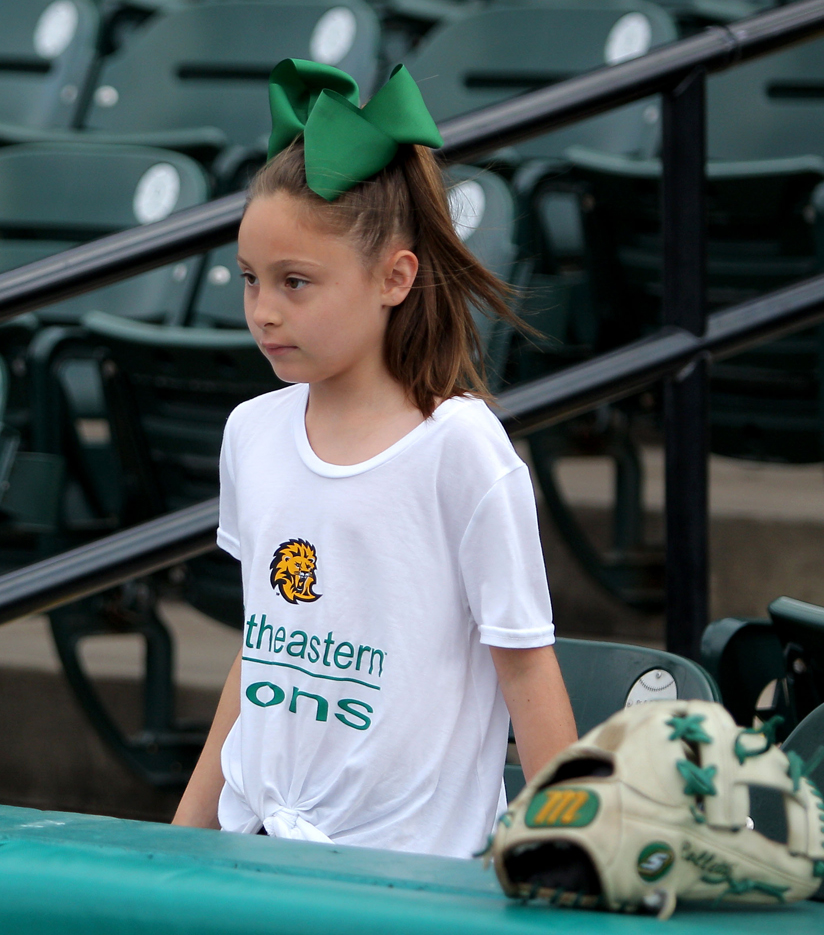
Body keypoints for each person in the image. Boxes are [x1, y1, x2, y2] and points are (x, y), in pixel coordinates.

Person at [171, 59, 576, 857]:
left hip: (405, 876)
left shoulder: (462, 448)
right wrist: (184, 839)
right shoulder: (251, 431)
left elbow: (527, 671)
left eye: (295, 282)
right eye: (250, 280)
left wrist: (573, 852)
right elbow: (262, 655)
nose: (263, 311)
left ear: (395, 278)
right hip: (254, 852)